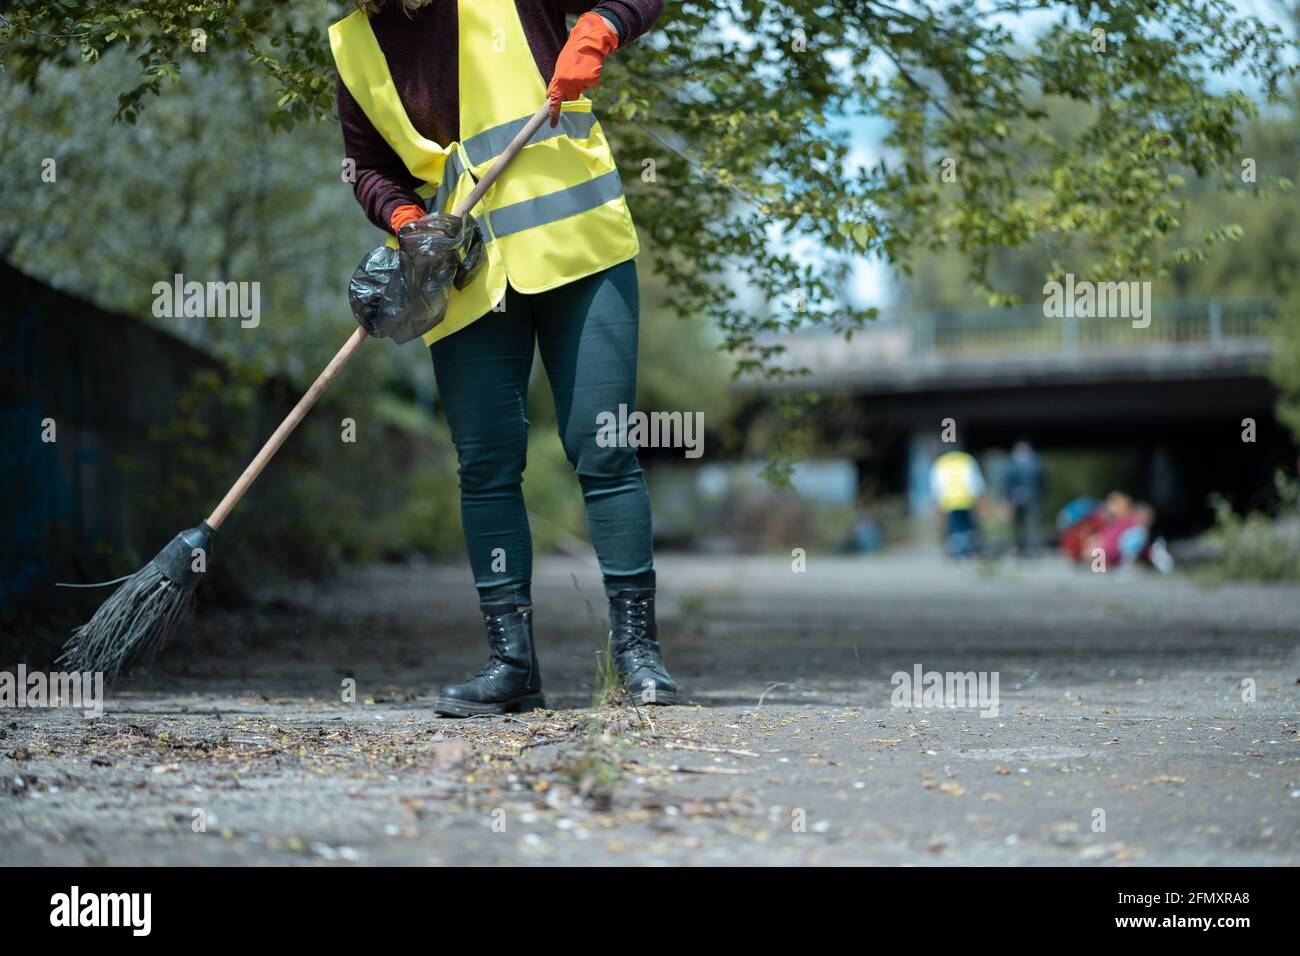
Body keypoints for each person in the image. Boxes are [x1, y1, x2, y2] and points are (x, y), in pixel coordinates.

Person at [331, 0, 677, 715]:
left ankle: (640, 658)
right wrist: (404, 218)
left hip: (580, 249)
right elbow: (365, 166)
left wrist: (605, 22)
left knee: (603, 447)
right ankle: (512, 664)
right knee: (486, 465)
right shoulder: (356, 45)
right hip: (462, 272)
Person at [929, 448, 985, 558]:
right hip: (967, 500)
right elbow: (977, 482)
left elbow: (935, 486)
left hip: (949, 502)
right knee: (967, 526)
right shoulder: (966, 460)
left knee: (955, 528)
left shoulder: (941, 462)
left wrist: (936, 505)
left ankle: (957, 550)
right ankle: (967, 550)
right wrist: (981, 500)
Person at [1004, 439, 1045, 557]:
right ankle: (1031, 549)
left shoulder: (1012, 463)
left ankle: (1020, 548)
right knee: (1030, 524)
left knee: (1021, 525)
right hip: (1032, 496)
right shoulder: (1036, 461)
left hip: (1017, 496)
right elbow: (1042, 481)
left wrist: (1007, 498)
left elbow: (1007, 481)